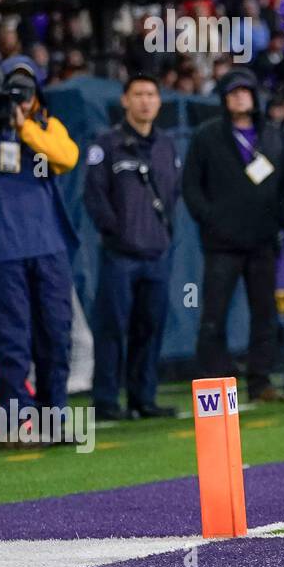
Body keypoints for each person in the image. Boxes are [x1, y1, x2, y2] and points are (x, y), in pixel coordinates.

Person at [183, 67, 284, 404]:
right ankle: (212, 383)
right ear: (223, 99)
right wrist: (210, 220)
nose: (239, 97)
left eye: (245, 91)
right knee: (214, 313)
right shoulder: (206, 136)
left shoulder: (274, 136)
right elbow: (191, 186)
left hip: (263, 240)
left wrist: (279, 219)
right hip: (222, 244)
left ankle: (260, 382)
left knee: (264, 313)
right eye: (232, 92)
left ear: (255, 97)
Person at [84, 74, 180, 420]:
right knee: (112, 327)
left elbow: (172, 194)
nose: (145, 100)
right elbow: (94, 196)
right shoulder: (106, 143)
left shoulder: (167, 145)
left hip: (156, 253)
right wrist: (116, 232)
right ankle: (106, 401)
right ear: (125, 100)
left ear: (158, 101)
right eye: (138, 94)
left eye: (151, 94)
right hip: (119, 255)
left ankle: (144, 397)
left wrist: (163, 237)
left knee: (150, 327)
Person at [0, 56, 78, 442]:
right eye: (13, 89)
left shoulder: (46, 127)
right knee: (13, 339)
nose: (20, 97)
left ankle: (54, 418)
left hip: (49, 248)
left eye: (26, 91)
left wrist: (23, 125)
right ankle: (13, 424)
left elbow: (66, 158)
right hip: (3, 251)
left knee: (56, 335)